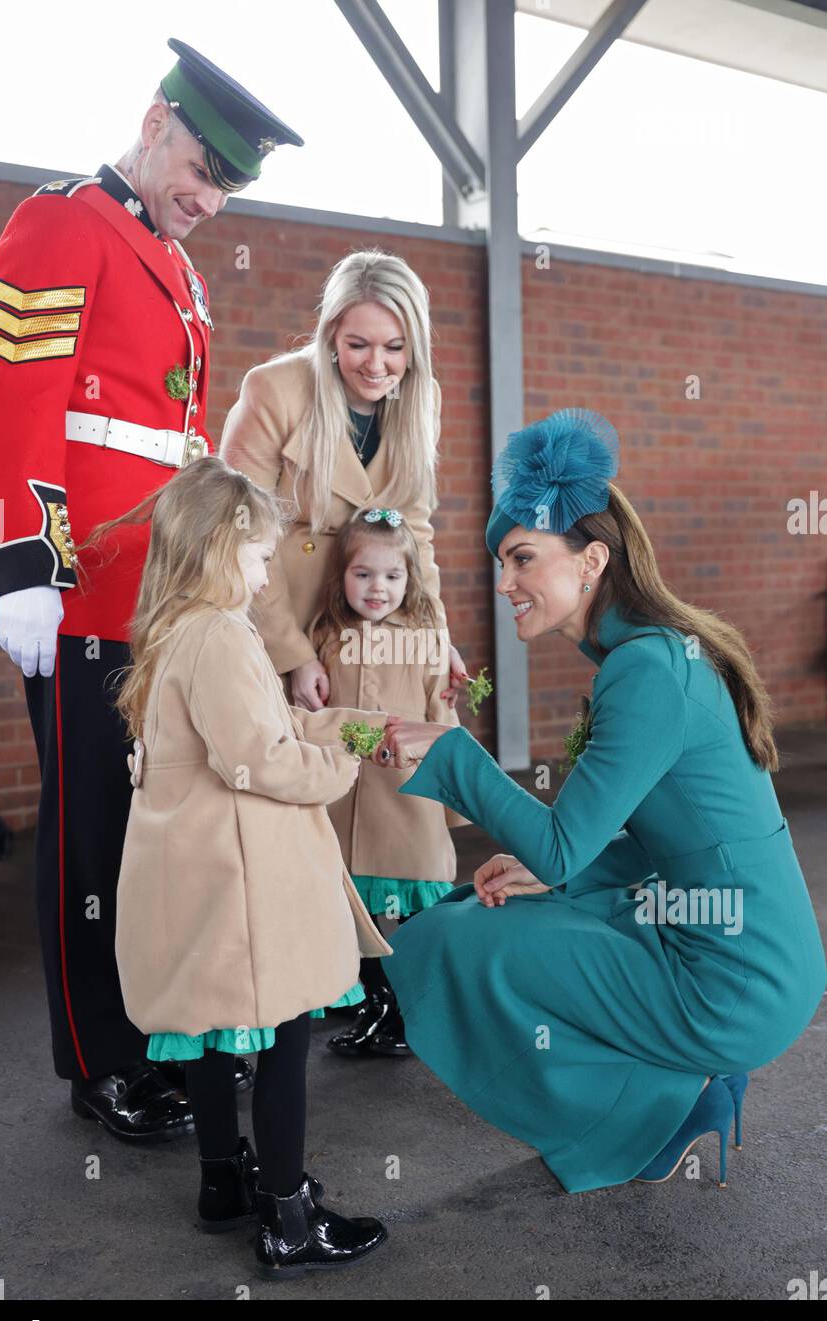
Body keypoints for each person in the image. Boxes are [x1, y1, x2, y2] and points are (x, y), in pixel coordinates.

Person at [0, 39, 303, 1141]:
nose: (209, 198)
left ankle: (155, 1033)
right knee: (90, 831)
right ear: (153, 120)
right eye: (202, 169)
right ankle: (99, 1061)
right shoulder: (63, 222)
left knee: (150, 832)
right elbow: (12, 393)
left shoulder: (180, 264)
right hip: (82, 595)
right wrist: (24, 564)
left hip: (158, 599)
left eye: (227, 185)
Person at [371, 408, 827, 1193]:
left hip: (732, 978)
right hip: (739, 945)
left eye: (521, 559)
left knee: (458, 942)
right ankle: (682, 1096)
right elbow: (647, 842)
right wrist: (558, 876)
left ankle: (669, 1098)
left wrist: (452, 753)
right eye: (500, 563)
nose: (504, 582)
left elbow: (558, 846)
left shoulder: (646, 671)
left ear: (590, 560)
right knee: (487, 913)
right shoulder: (653, 655)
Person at [89, 454, 391, 1276]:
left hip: (194, 874)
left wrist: (329, 728)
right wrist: (347, 763)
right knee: (287, 1031)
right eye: (259, 555)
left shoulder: (172, 631)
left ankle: (224, 1183)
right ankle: (290, 1219)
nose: (265, 575)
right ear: (222, 546)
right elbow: (261, 760)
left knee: (216, 1033)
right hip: (243, 881)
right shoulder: (221, 635)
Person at [219, 248, 468, 710]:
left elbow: (413, 531)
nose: (377, 365)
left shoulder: (423, 398)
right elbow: (238, 530)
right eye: (359, 345)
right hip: (281, 608)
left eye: (394, 347)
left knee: (393, 762)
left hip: (377, 624)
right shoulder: (273, 389)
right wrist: (291, 654)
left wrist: (435, 637)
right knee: (296, 764)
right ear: (331, 334)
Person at [303, 506, 471, 1058]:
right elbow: (312, 719)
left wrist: (454, 801)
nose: (379, 589)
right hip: (346, 805)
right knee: (359, 912)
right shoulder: (324, 635)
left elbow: (442, 721)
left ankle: (420, 1009)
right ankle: (380, 1007)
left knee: (414, 912)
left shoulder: (426, 639)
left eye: (393, 576)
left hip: (408, 805)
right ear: (341, 576)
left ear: (410, 579)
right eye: (364, 574)